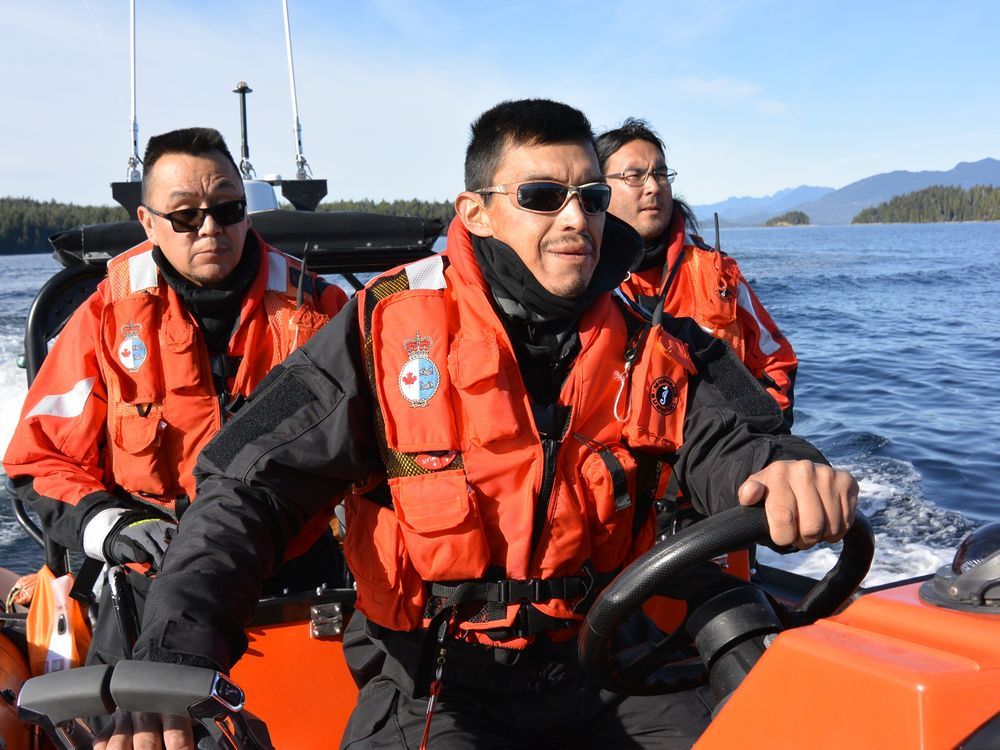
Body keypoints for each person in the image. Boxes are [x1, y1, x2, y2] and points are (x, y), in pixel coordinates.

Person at [104, 100, 857, 750]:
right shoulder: (376, 333)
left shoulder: (658, 340)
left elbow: (739, 436)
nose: (577, 218)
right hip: (436, 677)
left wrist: (784, 469)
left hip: (608, 659)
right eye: (542, 195)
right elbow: (246, 488)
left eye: (592, 198)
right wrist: (176, 653)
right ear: (477, 212)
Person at [3, 127, 348, 663]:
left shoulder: (319, 311)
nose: (210, 228)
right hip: (149, 578)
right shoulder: (104, 319)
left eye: (228, 209)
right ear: (148, 222)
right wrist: (113, 525)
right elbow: (39, 456)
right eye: (186, 215)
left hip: (296, 581)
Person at [596, 118, 797, 428]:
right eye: (634, 176)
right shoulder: (583, 277)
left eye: (660, 174)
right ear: (599, 187)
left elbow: (776, 357)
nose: (653, 187)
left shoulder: (717, 271)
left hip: (722, 453)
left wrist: (767, 430)